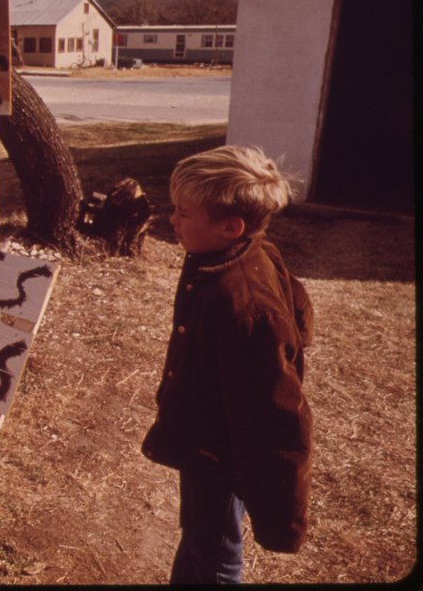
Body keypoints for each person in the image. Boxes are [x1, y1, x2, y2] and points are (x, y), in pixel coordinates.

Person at [141, 145, 313, 584]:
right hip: (203, 439)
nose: (172, 220)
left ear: (229, 227)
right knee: (199, 536)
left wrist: (284, 519)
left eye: (183, 213)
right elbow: (301, 311)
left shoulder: (244, 308)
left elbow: (280, 416)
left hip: (219, 454)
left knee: (217, 557)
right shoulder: (230, 255)